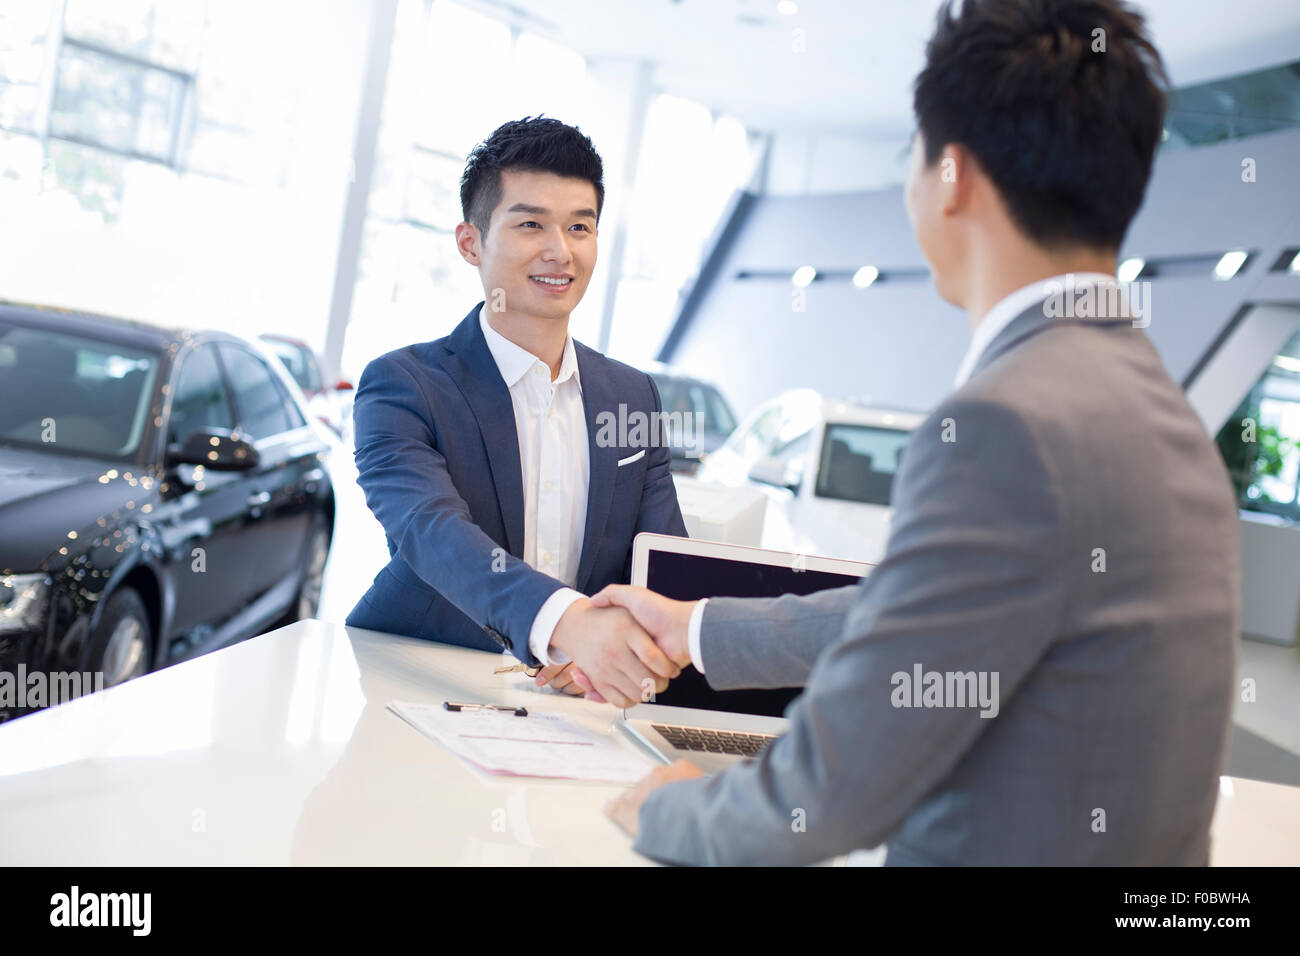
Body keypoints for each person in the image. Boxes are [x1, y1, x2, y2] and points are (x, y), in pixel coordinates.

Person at [588, 0, 1240, 864]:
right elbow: (917, 613)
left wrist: (666, 810)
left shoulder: (1007, 423)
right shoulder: (1164, 415)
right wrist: (696, 628)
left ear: (952, 177)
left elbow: (830, 796)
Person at [346, 117, 686, 708]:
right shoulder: (404, 386)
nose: (560, 250)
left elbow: (663, 561)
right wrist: (567, 625)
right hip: (414, 685)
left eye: (581, 226)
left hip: (573, 704)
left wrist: (626, 644)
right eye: (531, 223)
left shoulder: (634, 397)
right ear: (470, 242)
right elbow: (432, 533)